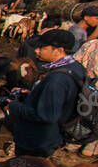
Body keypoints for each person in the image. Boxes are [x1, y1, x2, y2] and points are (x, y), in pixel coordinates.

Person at [6, 29, 85, 158]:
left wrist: (15, 106)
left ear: (59, 50)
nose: (36, 51)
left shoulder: (57, 79)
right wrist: (33, 94)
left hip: (38, 141)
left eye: (42, 47)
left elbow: (47, 115)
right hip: (54, 135)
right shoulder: (75, 67)